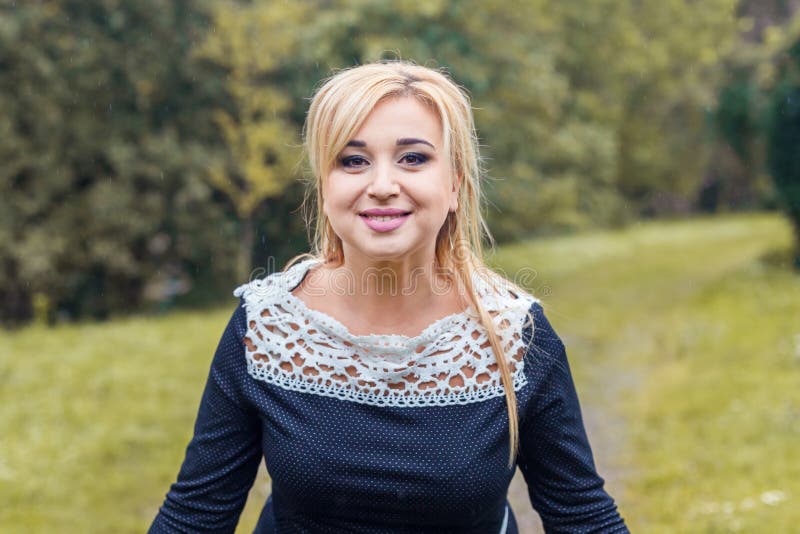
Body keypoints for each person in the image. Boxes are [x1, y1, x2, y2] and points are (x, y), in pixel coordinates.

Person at [148, 61, 628, 533]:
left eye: (413, 158)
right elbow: (197, 515)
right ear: (325, 185)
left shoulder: (515, 335)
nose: (381, 186)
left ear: (455, 184)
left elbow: (581, 515)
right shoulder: (267, 327)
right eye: (353, 161)